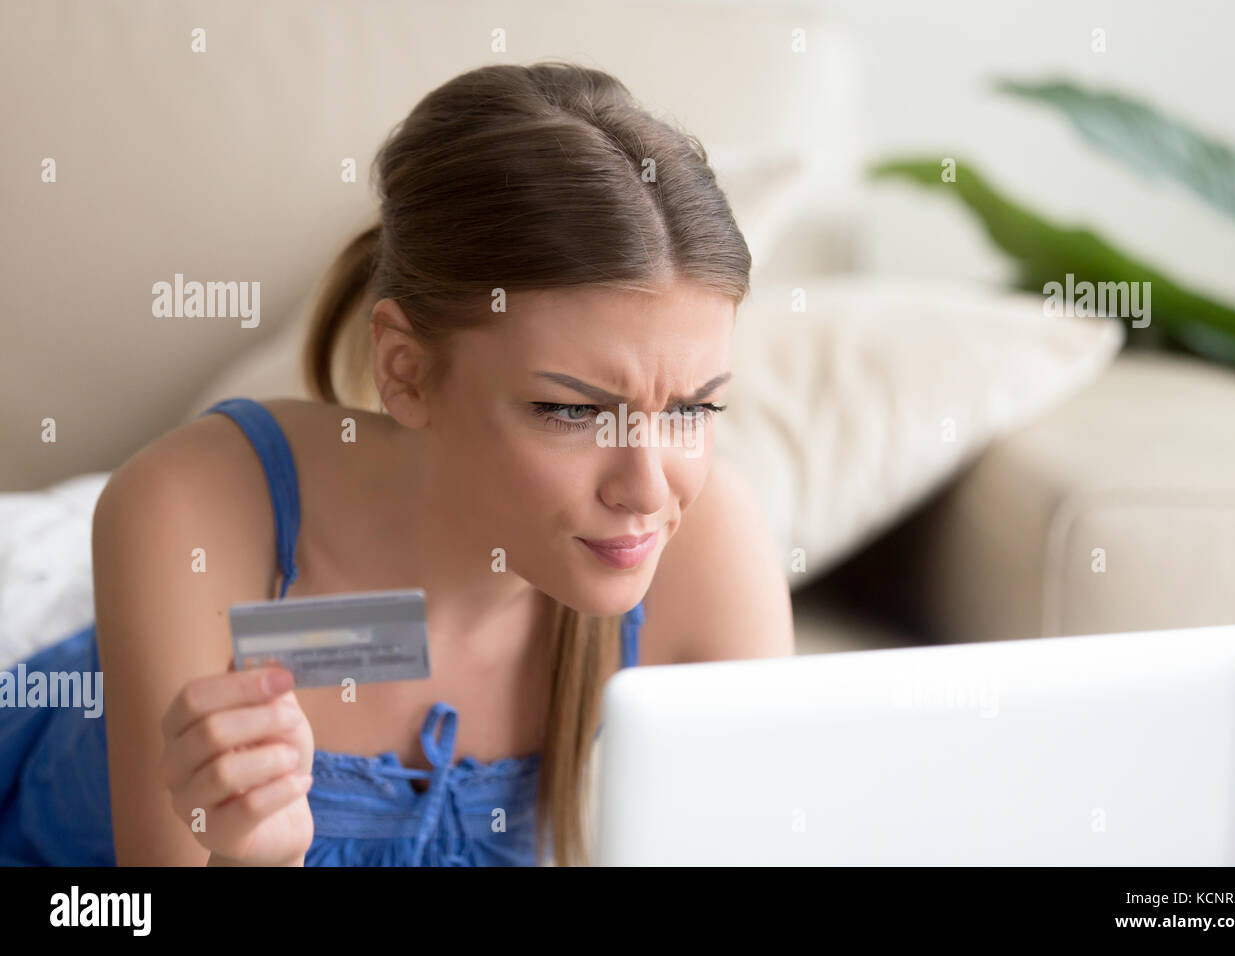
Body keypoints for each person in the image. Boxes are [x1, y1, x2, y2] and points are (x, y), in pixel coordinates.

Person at [0, 61, 793, 867]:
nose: (647, 492)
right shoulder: (191, 513)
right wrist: (253, 859)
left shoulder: (706, 544)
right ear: (407, 371)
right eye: (573, 411)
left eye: (692, 410)